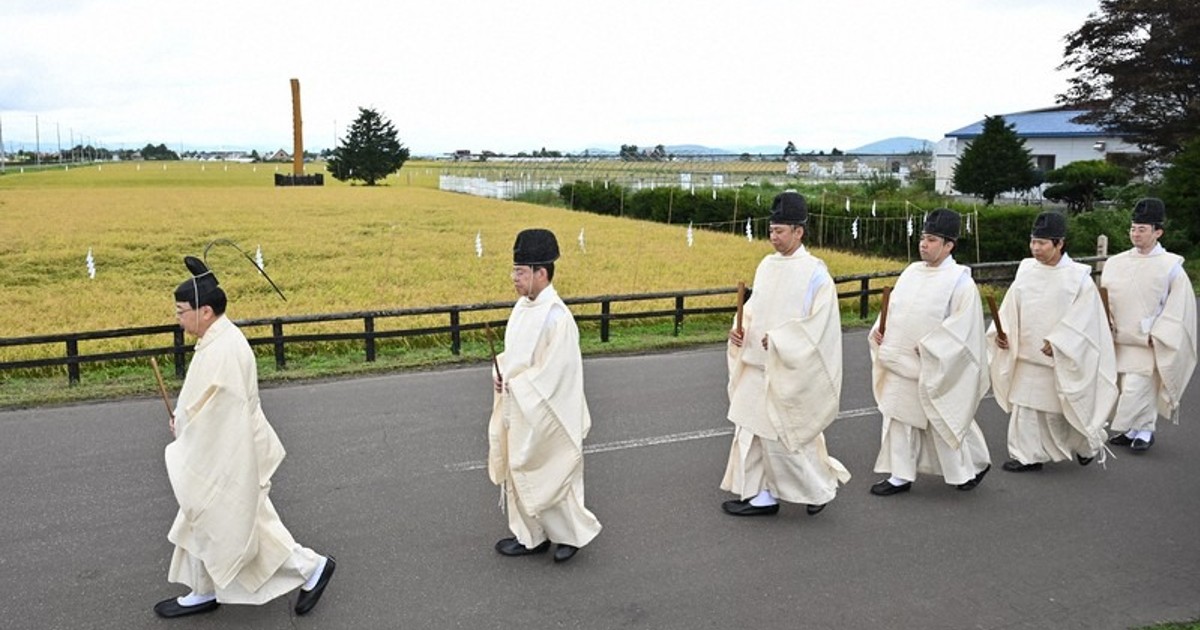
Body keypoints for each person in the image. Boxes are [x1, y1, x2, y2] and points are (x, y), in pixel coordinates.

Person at [156, 256, 335, 619]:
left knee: (241, 522)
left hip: (229, 452)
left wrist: (187, 428)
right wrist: (187, 421)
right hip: (218, 449)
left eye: (181, 310)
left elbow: (225, 411)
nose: (178, 317)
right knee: (203, 515)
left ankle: (311, 567)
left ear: (205, 311)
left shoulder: (224, 348)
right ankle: (203, 589)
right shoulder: (216, 338)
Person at [720, 191, 850, 517]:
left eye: (780, 231)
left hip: (789, 368)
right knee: (749, 431)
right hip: (755, 364)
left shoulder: (816, 274)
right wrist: (740, 330)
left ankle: (817, 489)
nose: (773, 237)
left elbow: (819, 327)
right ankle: (761, 496)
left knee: (785, 438)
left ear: (798, 232)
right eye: (771, 230)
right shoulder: (766, 265)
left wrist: (781, 341)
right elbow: (753, 310)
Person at [486, 229, 601, 563]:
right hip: (519, 405)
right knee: (519, 469)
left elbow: (557, 374)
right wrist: (500, 375)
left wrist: (517, 385)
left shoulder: (557, 317)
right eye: (514, 271)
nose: (514, 279)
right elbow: (513, 355)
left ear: (541, 273)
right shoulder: (522, 308)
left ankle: (570, 536)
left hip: (546, 409)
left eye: (520, 272)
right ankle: (530, 535)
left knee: (551, 467)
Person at [868, 208, 992, 496]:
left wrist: (933, 347)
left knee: (942, 419)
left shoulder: (961, 281)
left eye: (932, 239)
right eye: (923, 237)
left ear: (949, 245)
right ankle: (900, 475)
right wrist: (880, 329)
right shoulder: (911, 272)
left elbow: (963, 329)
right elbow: (894, 308)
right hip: (900, 359)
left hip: (934, 363)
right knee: (898, 415)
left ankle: (970, 466)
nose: (924, 244)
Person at [988, 211, 1117, 472]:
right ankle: (1028, 456)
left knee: (1063, 410)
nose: (1036, 248)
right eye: (1033, 242)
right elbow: (1011, 306)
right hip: (1025, 352)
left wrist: (1060, 341)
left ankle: (1088, 444)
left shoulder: (1078, 276)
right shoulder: (1026, 269)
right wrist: (1004, 334)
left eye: (1042, 243)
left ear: (1060, 244)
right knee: (1025, 408)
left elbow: (1085, 320)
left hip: (1059, 355)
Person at [1100, 198, 1197, 452]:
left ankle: (1145, 431)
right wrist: (1105, 321)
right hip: (1120, 337)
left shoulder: (1171, 266)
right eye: (1133, 228)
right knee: (1124, 387)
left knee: (1139, 385)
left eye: (1142, 229)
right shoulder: (1116, 262)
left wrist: (1162, 332)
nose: (1136, 234)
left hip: (1148, 337)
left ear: (1158, 232)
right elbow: (1105, 297)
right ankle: (1134, 430)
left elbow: (1180, 307)